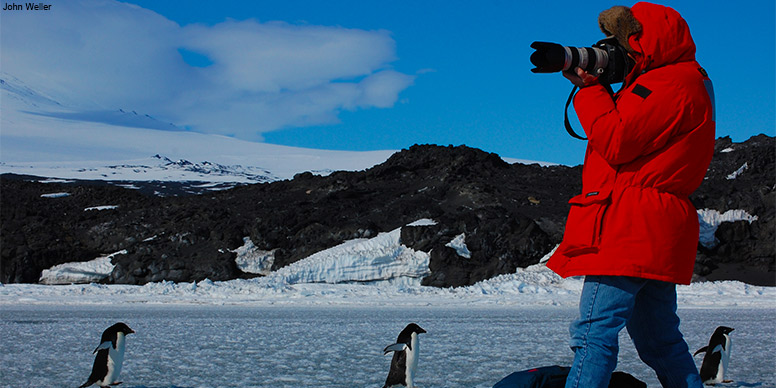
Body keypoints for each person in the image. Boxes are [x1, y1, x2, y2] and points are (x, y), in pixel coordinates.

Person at [545, 2, 716, 388]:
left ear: (646, 41)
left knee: (593, 332)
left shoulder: (671, 83)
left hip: (631, 225)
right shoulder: (683, 80)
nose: (618, 55)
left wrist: (591, 89)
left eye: (624, 44)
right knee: (660, 341)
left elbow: (617, 141)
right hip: (652, 225)